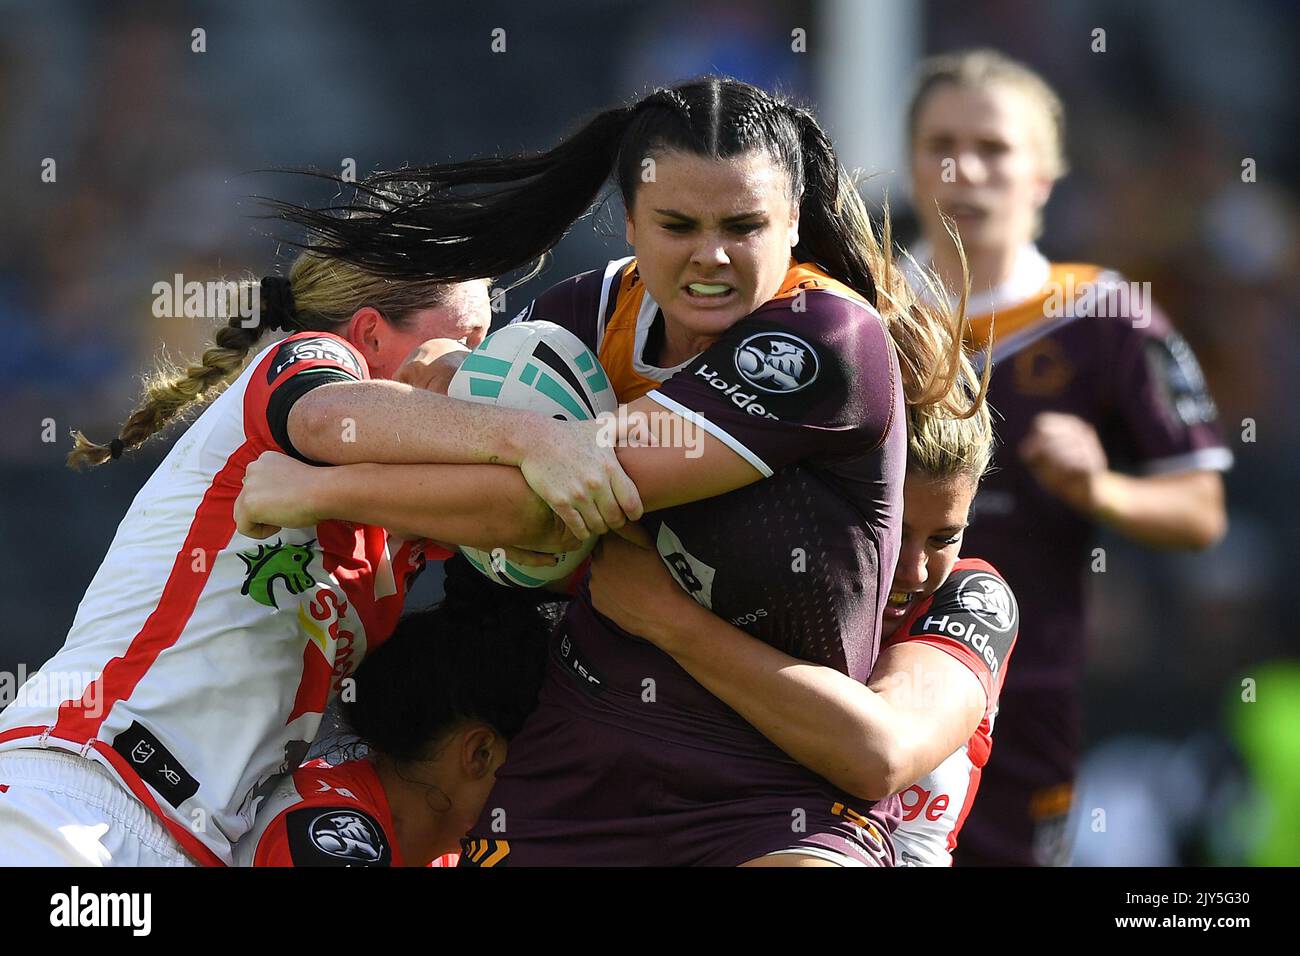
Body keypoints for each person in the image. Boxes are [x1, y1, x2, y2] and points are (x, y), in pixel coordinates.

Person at [245, 75, 980, 866]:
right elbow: (474, 474)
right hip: (564, 794)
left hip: (768, 806)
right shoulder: (583, 317)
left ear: (793, 221)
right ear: (629, 221)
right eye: (677, 225)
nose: (713, 256)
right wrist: (452, 381)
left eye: (745, 225)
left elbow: (545, 506)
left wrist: (321, 489)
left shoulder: (821, 339)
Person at [0, 243, 635, 867]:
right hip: (83, 795)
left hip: (194, 842)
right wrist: (533, 436)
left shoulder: (396, 509)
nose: (478, 368)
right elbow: (325, 419)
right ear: (371, 334)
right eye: (467, 341)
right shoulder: (311, 364)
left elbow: (539, 526)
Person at [904, 49, 1231, 865]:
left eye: (996, 148)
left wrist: (1103, 489)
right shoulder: (854, 307)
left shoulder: (1104, 317)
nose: (965, 169)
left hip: (1024, 686)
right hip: (862, 673)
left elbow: (1201, 512)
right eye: (942, 143)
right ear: (911, 160)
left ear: (1045, 175)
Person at [587, 390, 1017, 866]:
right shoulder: (766, 559)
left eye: (944, 538)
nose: (914, 570)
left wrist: (668, 619)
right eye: (896, 532)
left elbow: (880, 756)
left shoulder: (973, 597)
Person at [234, 558, 553, 867]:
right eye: (537, 760)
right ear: (479, 753)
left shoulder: (438, 852)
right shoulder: (327, 832)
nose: (551, 784)